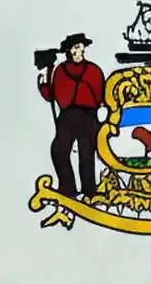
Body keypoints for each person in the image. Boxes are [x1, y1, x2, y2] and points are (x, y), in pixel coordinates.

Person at [37, 33, 106, 198]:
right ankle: (68, 188)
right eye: (75, 48)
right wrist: (44, 85)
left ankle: (89, 190)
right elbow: (52, 95)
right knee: (59, 150)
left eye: (80, 47)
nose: (78, 51)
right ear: (69, 51)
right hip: (67, 116)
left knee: (87, 153)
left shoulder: (93, 70)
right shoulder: (60, 70)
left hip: (88, 115)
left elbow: (100, 96)